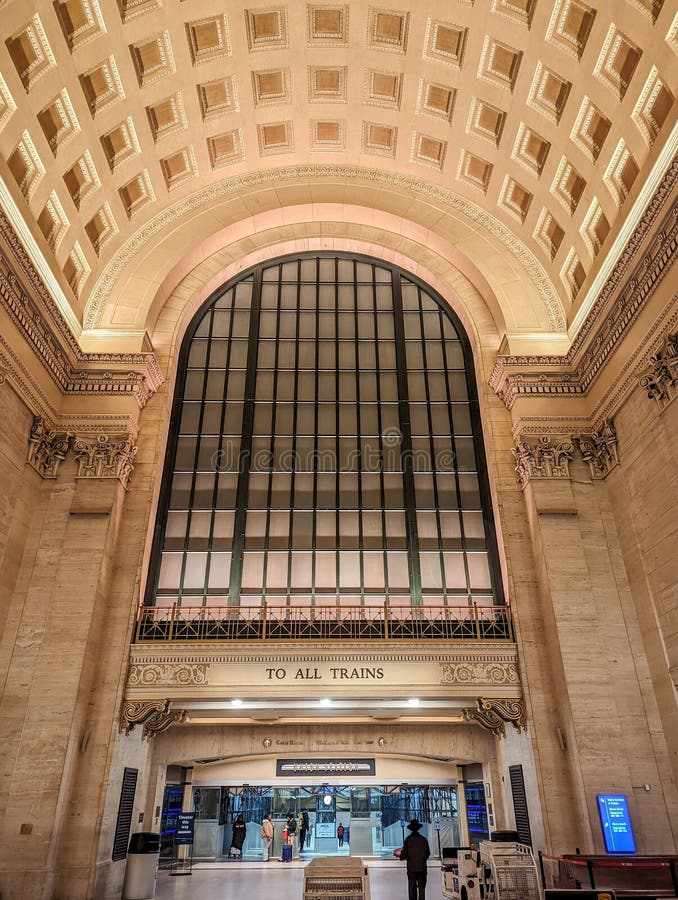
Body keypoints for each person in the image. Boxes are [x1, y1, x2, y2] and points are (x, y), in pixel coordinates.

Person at [395, 818, 430, 900]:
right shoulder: (424, 840)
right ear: (418, 828)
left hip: (411, 869)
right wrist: (422, 859)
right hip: (422, 868)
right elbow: (428, 853)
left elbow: (404, 854)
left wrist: (399, 856)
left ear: (411, 829)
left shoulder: (408, 840)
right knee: (422, 889)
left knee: (412, 888)